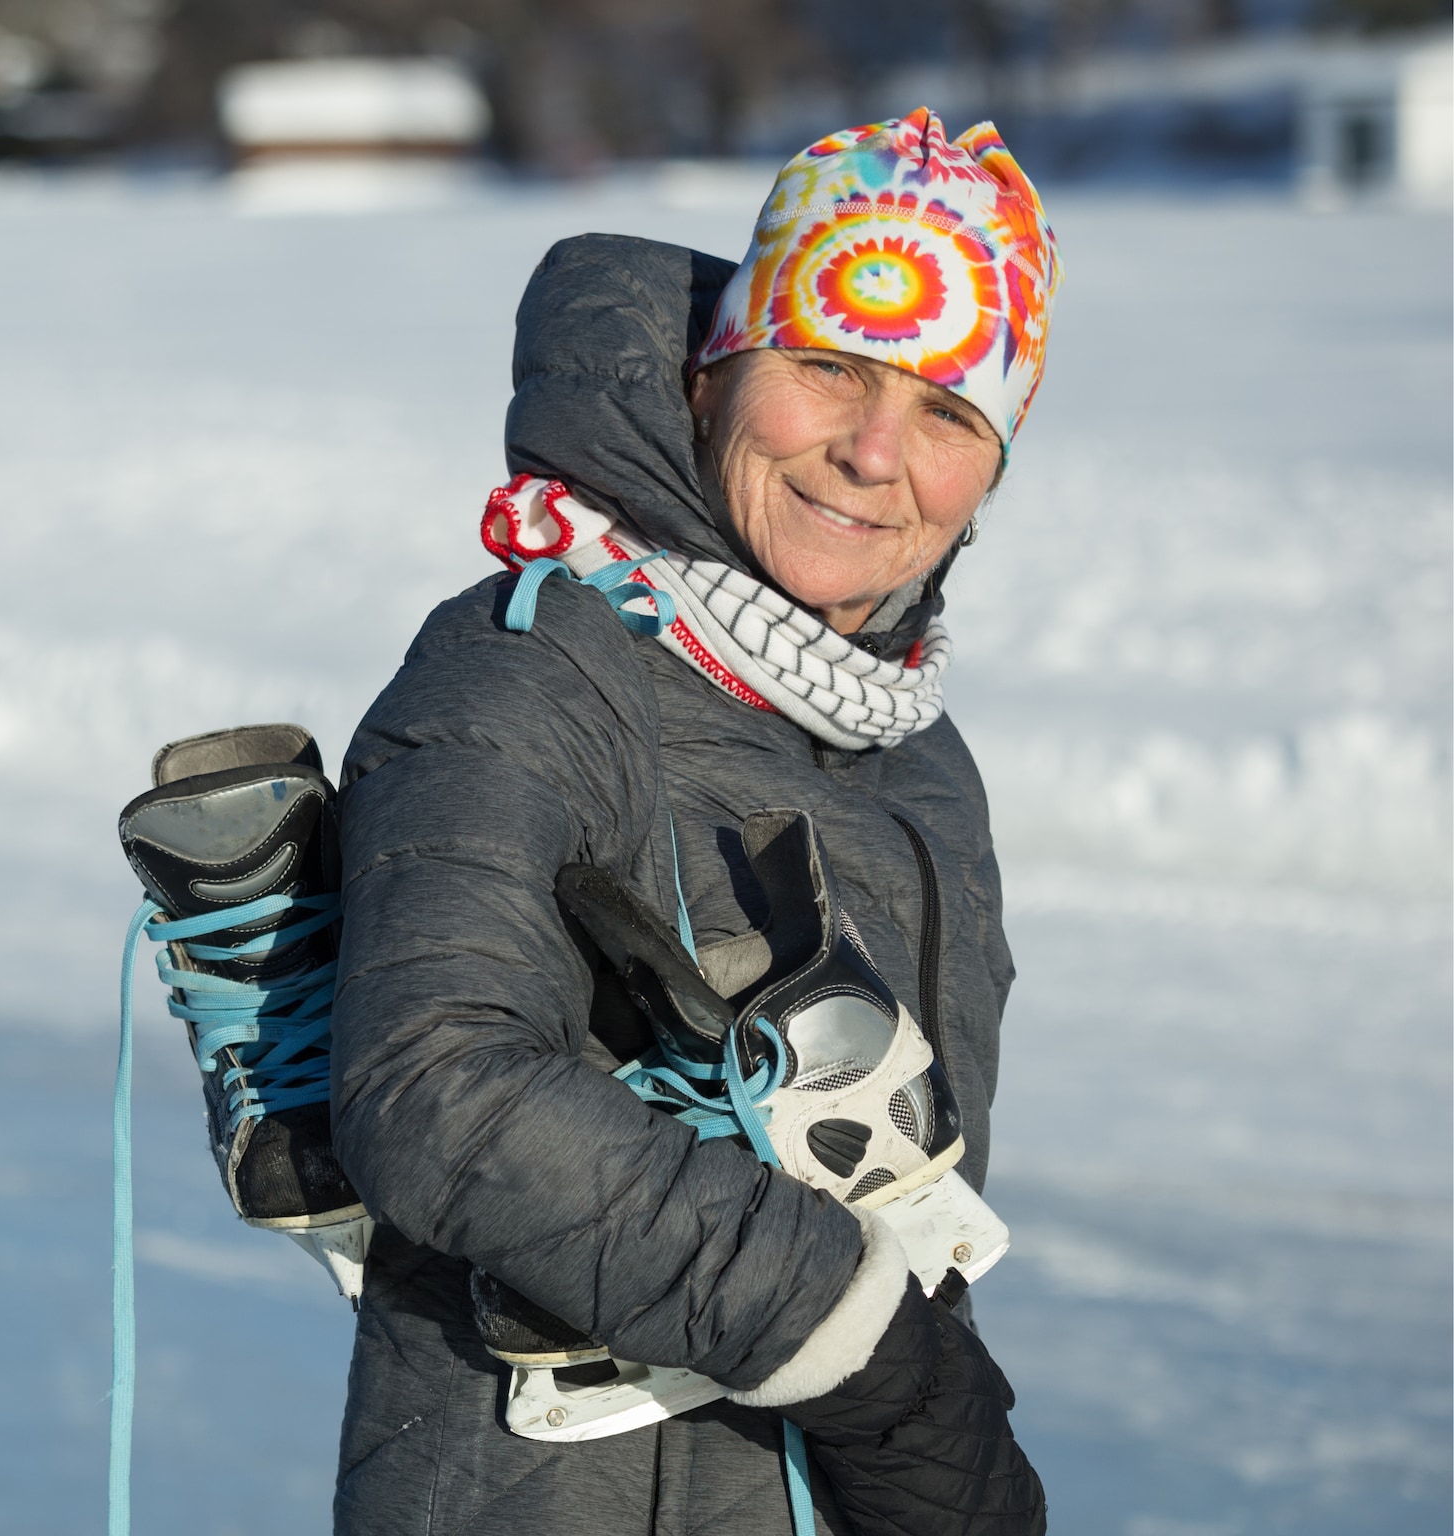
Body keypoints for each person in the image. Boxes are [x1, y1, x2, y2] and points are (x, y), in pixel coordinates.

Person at [326, 109, 1061, 1535]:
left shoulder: (914, 753)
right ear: (715, 371)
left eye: (950, 412)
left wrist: (910, 1404)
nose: (873, 453)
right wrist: (880, 1360)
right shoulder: (540, 660)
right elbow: (435, 1083)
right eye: (832, 366)